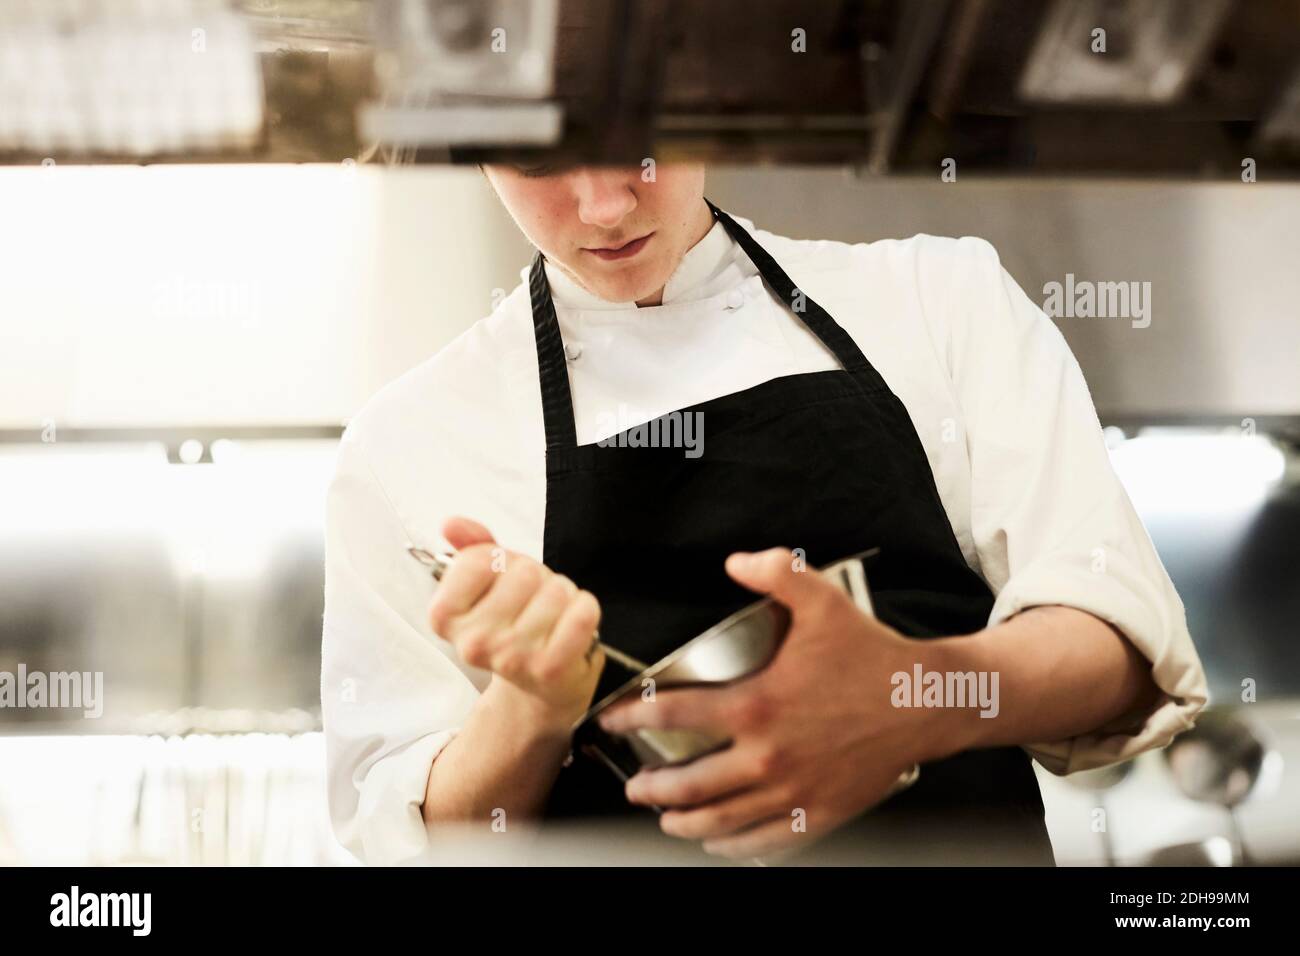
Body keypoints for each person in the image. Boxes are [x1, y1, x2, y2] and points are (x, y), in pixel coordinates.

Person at [321, 162, 1207, 865]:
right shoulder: (407, 444)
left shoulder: (941, 301)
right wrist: (531, 705)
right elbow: (430, 843)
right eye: (537, 157)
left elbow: (1120, 649)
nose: (601, 206)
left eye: (638, 134)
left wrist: (917, 697)